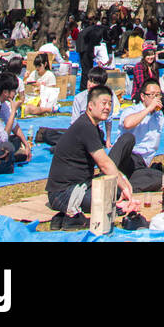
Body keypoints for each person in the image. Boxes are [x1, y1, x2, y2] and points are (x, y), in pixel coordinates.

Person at [46, 85, 134, 229]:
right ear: (90, 106)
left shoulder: (92, 127)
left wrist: (123, 179)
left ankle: (65, 216)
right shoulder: (85, 126)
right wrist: (123, 185)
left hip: (80, 185)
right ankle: (68, 216)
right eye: (103, 103)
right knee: (111, 197)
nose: (107, 107)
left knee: (116, 190)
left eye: (110, 104)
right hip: (63, 194)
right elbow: (104, 164)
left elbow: (106, 163)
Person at [107, 79, 164, 191]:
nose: (156, 98)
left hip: (140, 164)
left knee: (159, 178)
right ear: (143, 97)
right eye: (152, 95)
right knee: (128, 138)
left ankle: (122, 188)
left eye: (158, 95)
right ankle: (107, 178)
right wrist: (148, 109)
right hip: (126, 158)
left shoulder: (159, 116)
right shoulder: (132, 110)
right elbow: (128, 124)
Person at [70, 67, 122, 144]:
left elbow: (108, 120)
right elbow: (74, 122)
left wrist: (108, 141)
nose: (90, 85)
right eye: (90, 81)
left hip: (96, 133)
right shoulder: (79, 98)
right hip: (80, 132)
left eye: (95, 83)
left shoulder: (107, 98)